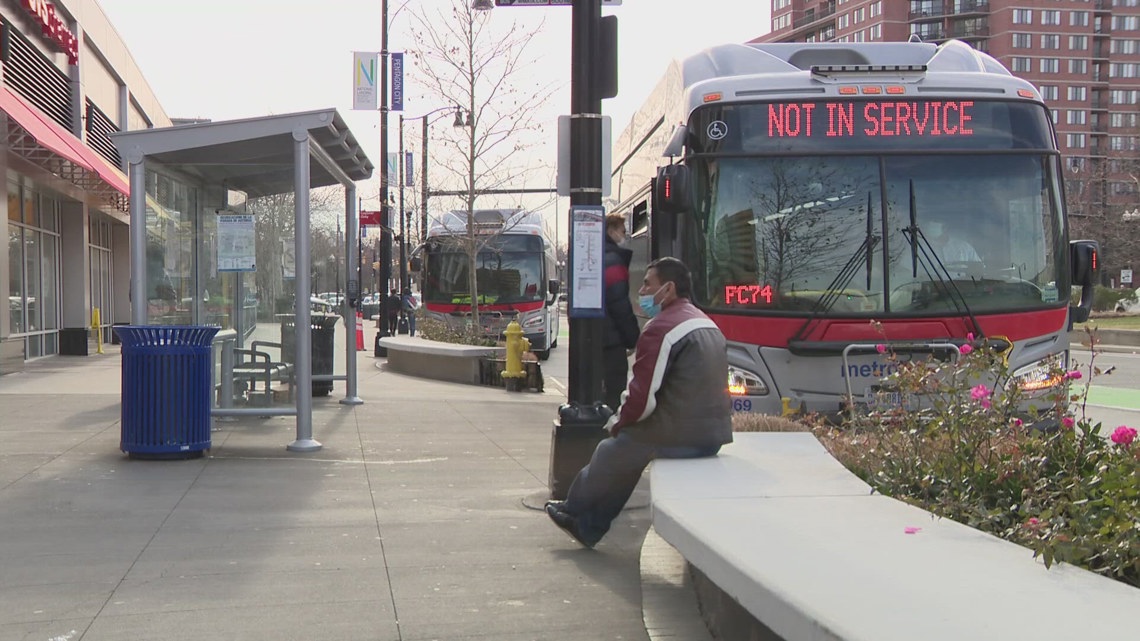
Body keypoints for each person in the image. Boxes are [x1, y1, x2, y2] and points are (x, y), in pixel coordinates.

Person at [545, 257, 733, 548]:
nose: (642, 291)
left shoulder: (662, 328)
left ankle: (575, 511)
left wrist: (617, 422)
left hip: (683, 434)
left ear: (668, 289)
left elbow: (641, 397)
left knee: (613, 449)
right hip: (713, 434)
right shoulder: (705, 322)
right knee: (629, 452)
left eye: (647, 284)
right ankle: (586, 525)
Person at [602, 213, 640, 411]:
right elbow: (620, 304)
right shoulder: (613, 261)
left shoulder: (596, 256)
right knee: (613, 395)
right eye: (623, 231)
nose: (624, 236)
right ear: (611, 231)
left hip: (598, 340)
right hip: (611, 344)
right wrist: (632, 337)